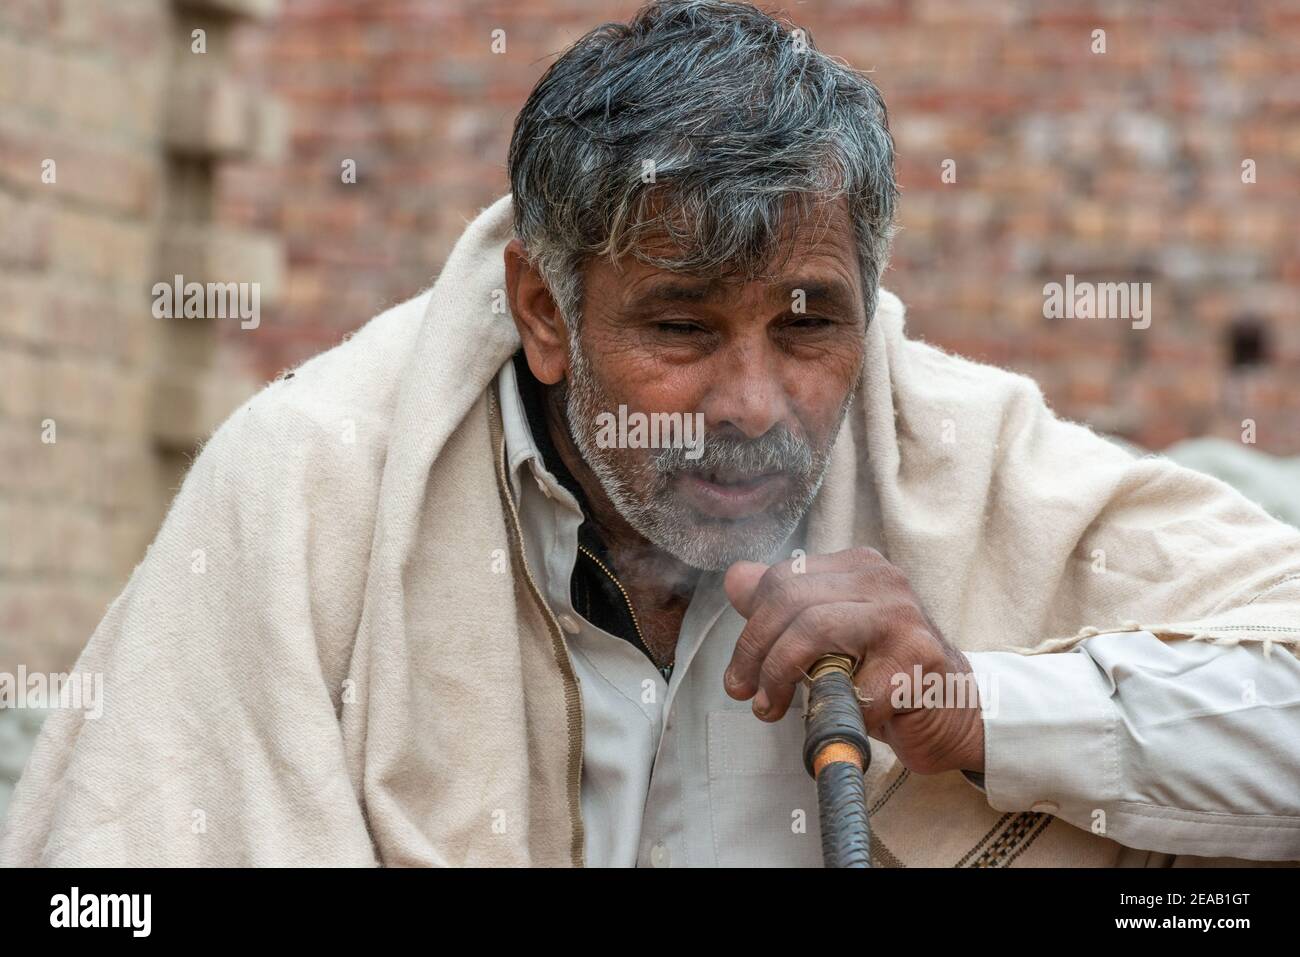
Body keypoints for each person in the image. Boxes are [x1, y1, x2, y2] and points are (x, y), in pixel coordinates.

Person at [3, 0, 1298, 867]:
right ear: (543, 311)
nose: (752, 403)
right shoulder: (310, 482)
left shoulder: (966, 454)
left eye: (806, 328)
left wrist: (983, 708)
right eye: (680, 329)